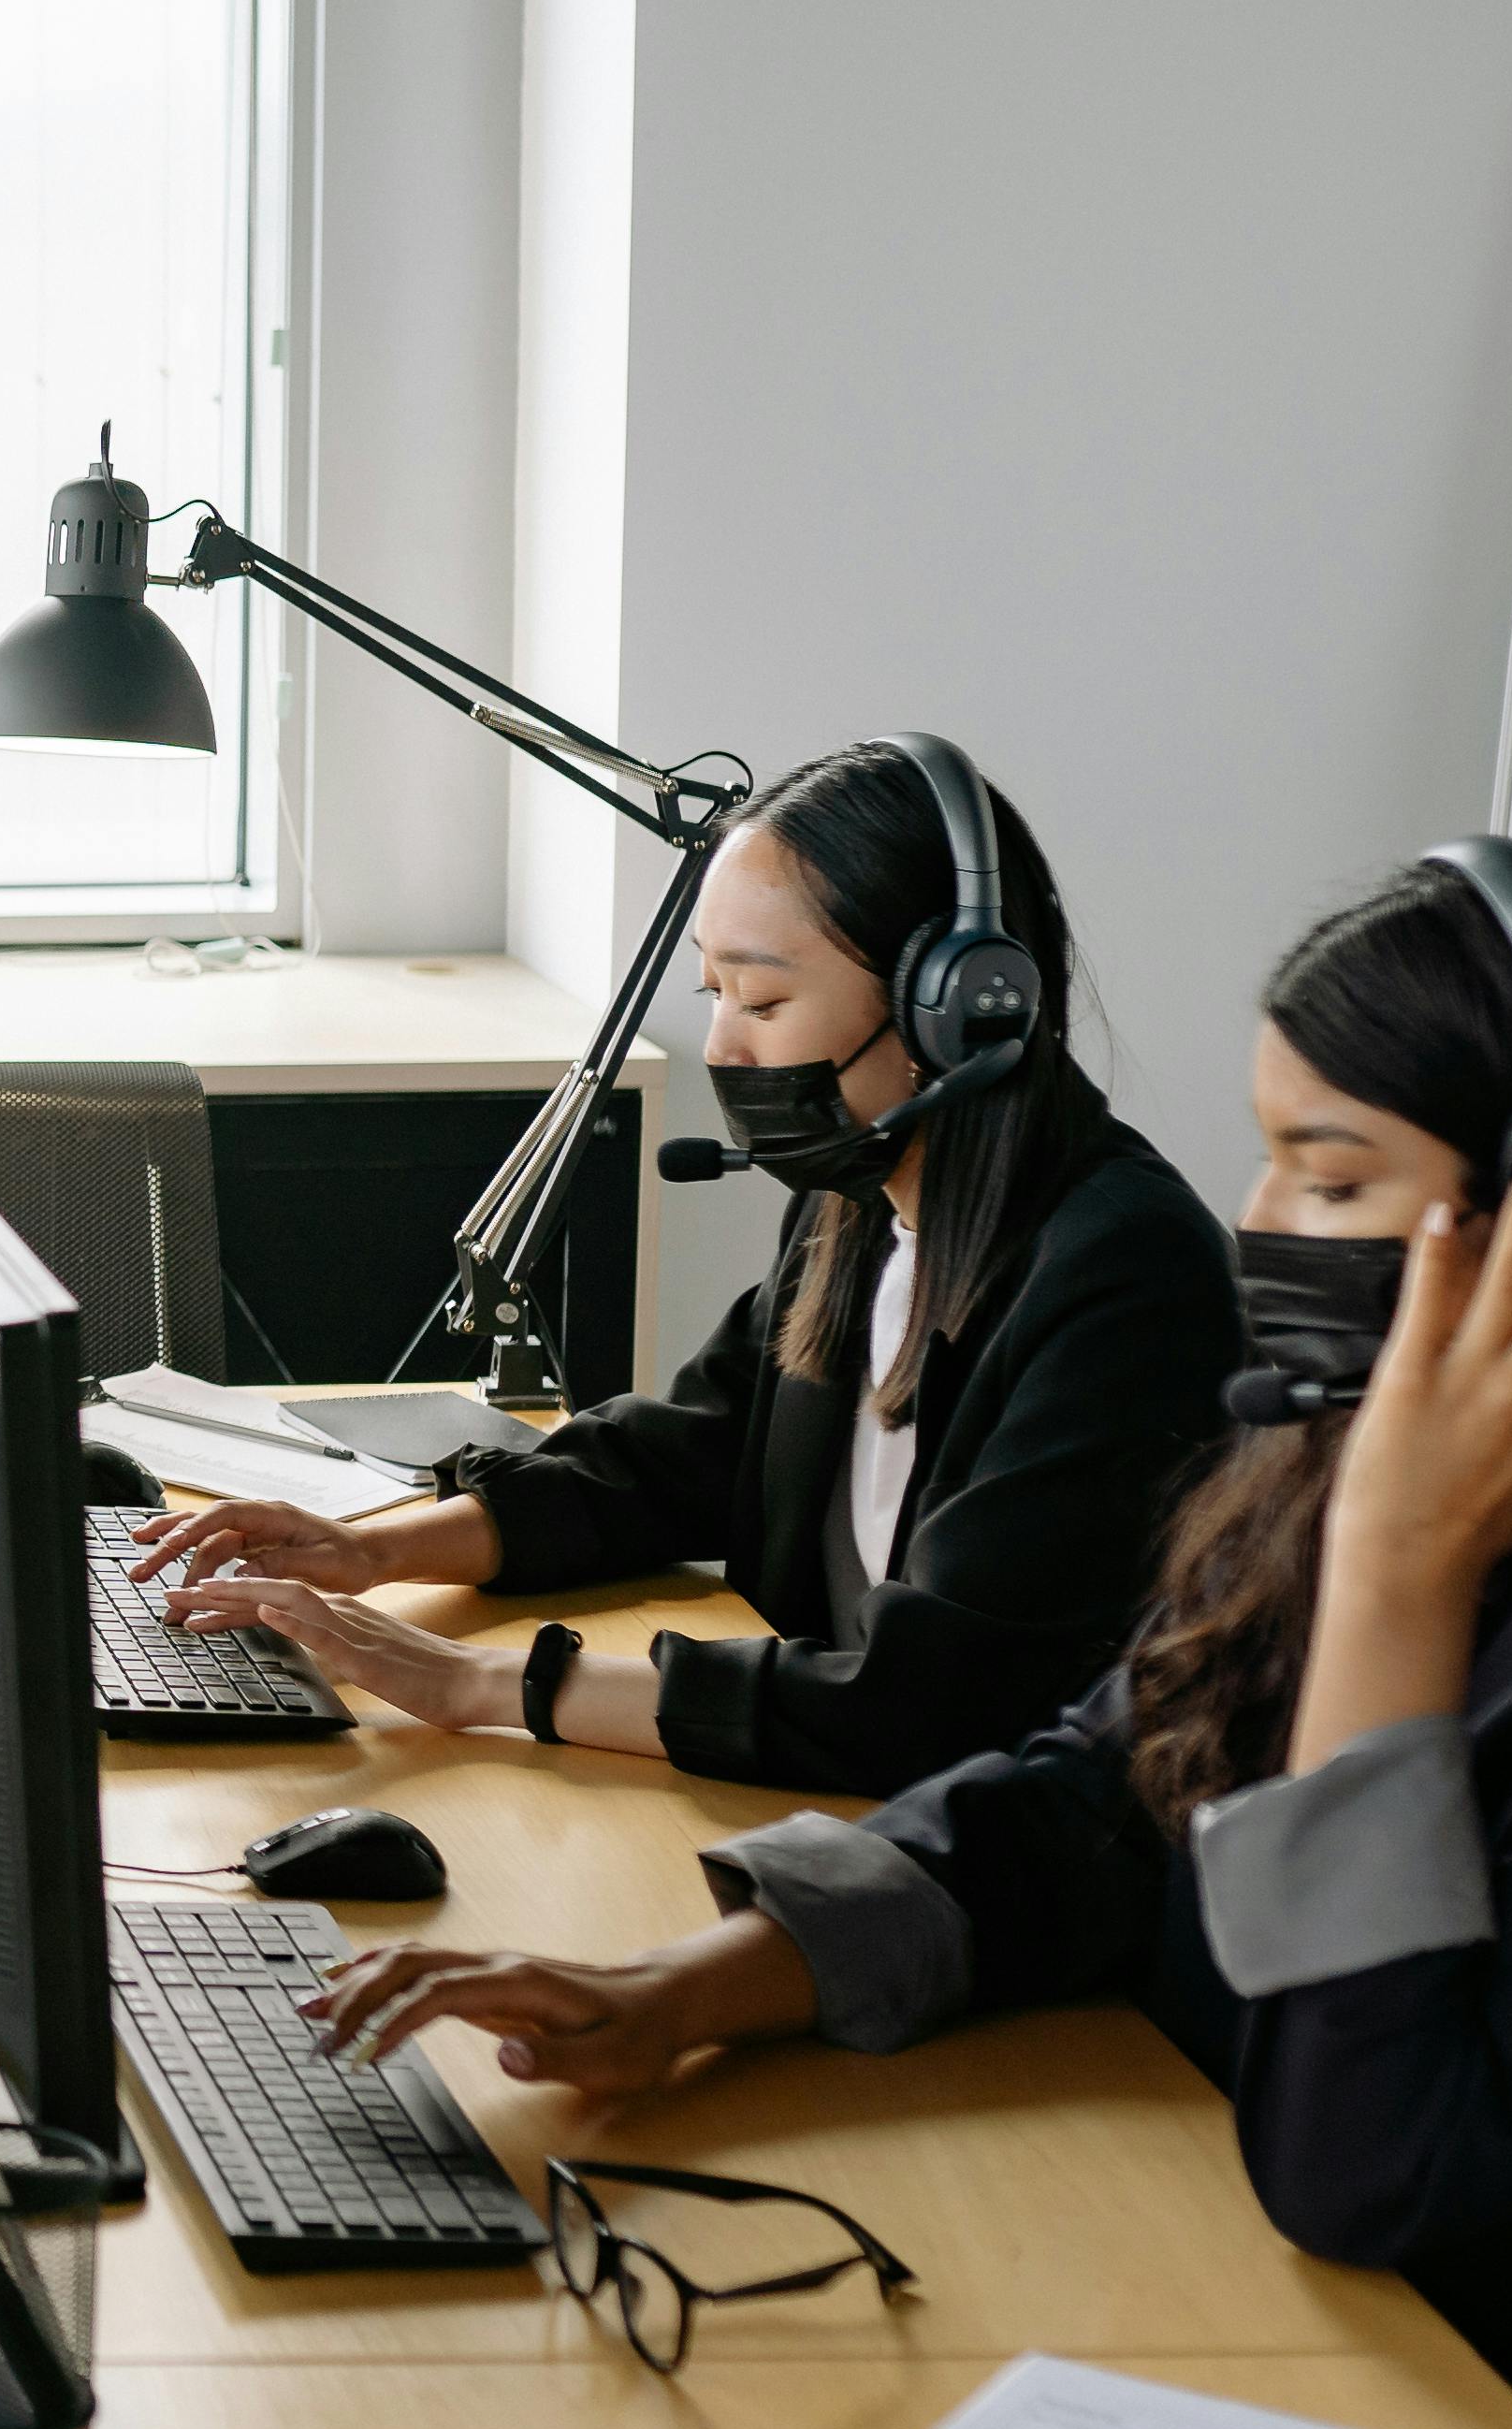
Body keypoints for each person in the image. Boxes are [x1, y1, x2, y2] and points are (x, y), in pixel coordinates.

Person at [314, 845, 1512, 2429]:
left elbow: (1366, 2154)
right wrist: (700, 1981)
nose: (1263, 1219)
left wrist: (1397, 1586)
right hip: (1316, 2362)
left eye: (1332, 1170)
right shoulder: (1423, 1423)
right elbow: (1112, 1778)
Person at [135, 735, 1243, 1795]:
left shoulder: (1124, 1283)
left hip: (970, 1887)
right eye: (715, 994)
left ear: (951, 1013)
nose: (722, 1048)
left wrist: (477, 1682)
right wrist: (370, 1554)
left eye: (762, 999)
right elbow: (685, 1458)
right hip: (823, 1810)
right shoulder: (857, 1203)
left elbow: (928, 1699)